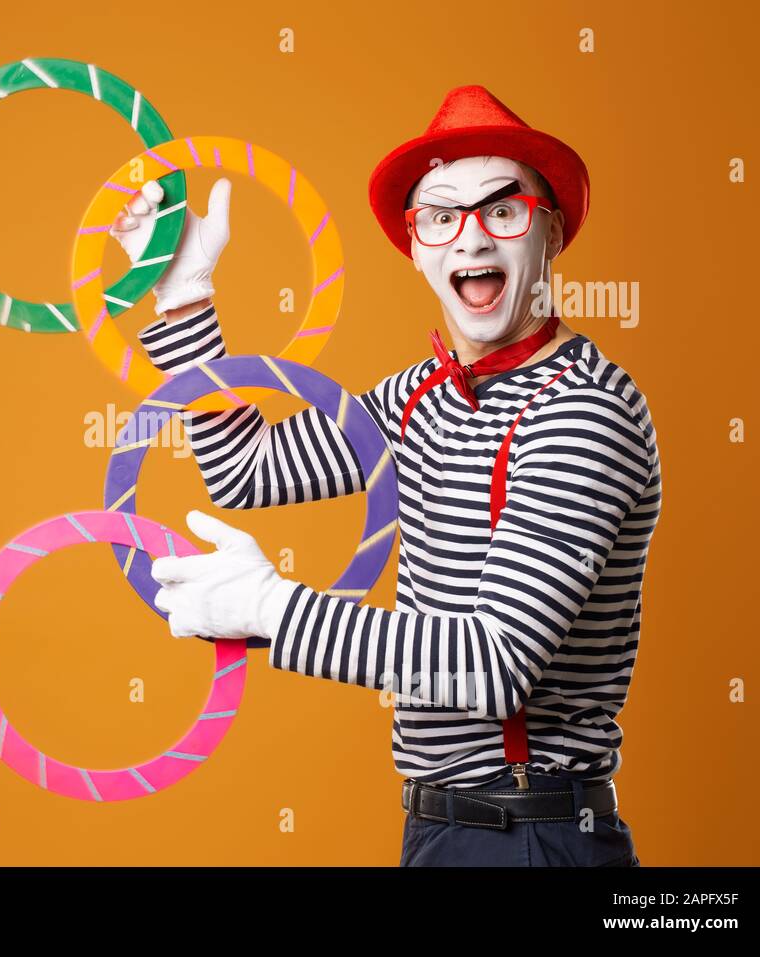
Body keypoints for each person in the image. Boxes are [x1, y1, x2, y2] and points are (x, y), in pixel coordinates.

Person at [109, 85, 661, 867]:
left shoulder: (582, 413)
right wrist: (183, 296)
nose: (471, 240)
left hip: (528, 833)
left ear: (551, 230)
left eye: (502, 210)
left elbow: (494, 662)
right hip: (442, 828)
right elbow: (244, 469)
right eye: (440, 217)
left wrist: (274, 609)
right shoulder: (419, 396)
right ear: (418, 245)